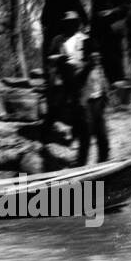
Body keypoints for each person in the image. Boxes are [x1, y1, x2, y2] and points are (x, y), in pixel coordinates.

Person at [48, 11, 109, 166]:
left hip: (95, 89)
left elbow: (96, 62)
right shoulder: (58, 41)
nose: (71, 25)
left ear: (78, 23)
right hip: (77, 92)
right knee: (86, 134)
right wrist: (61, 60)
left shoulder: (86, 39)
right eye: (68, 22)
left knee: (102, 135)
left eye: (74, 22)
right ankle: (81, 168)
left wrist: (104, 90)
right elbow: (51, 59)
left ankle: (104, 166)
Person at [23, 0, 88, 73]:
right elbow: (79, 7)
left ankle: (48, 77)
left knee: (47, 49)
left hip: (53, 25)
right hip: (70, 26)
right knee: (72, 51)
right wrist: (86, 22)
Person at [90, 0, 129, 84]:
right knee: (102, 65)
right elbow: (94, 10)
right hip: (99, 32)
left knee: (116, 64)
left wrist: (112, 12)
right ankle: (109, 97)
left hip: (113, 31)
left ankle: (120, 95)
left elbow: (126, 7)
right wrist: (91, 30)